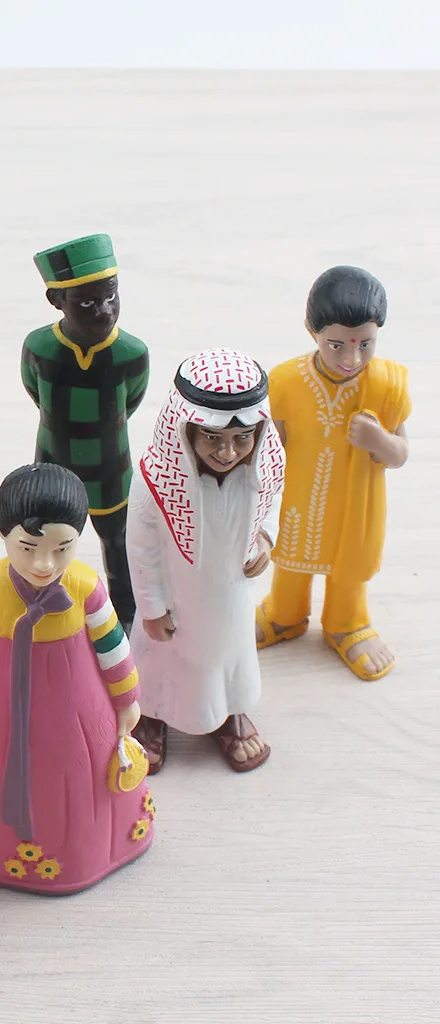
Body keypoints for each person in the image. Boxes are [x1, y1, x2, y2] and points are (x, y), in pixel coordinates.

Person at [0, 463, 152, 895]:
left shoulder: (86, 587)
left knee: (72, 779)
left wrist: (127, 697)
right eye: (28, 547)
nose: (43, 563)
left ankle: (77, 852)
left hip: (72, 707)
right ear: (3, 534)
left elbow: (113, 646)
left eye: (62, 548)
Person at [127, 349, 285, 773]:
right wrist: (152, 608)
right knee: (161, 663)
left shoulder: (260, 470)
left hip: (231, 598)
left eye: (242, 438)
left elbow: (273, 500)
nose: (228, 451)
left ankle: (229, 715)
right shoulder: (155, 480)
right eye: (213, 437)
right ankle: (150, 718)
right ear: (186, 430)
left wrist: (265, 539)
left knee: (229, 658)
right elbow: (141, 549)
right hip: (175, 602)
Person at [255, 266, 411, 681]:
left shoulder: (387, 384)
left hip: (357, 506)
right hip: (297, 501)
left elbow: (399, 455)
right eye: (336, 345)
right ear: (313, 332)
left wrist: (380, 440)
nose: (350, 360)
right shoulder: (285, 381)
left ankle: (347, 624)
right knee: (290, 558)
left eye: (365, 344)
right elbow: (269, 449)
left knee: (349, 567)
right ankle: (285, 614)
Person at [21, 234, 149, 627]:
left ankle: (126, 617)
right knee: (46, 542)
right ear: (56, 300)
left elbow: (130, 403)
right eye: (87, 302)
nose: (104, 310)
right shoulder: (39, 348)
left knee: (118, 544)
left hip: (111, 469)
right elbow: (36, 392)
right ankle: (45, 607)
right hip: (53, 467)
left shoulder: (132, 354)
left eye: (111, 296)